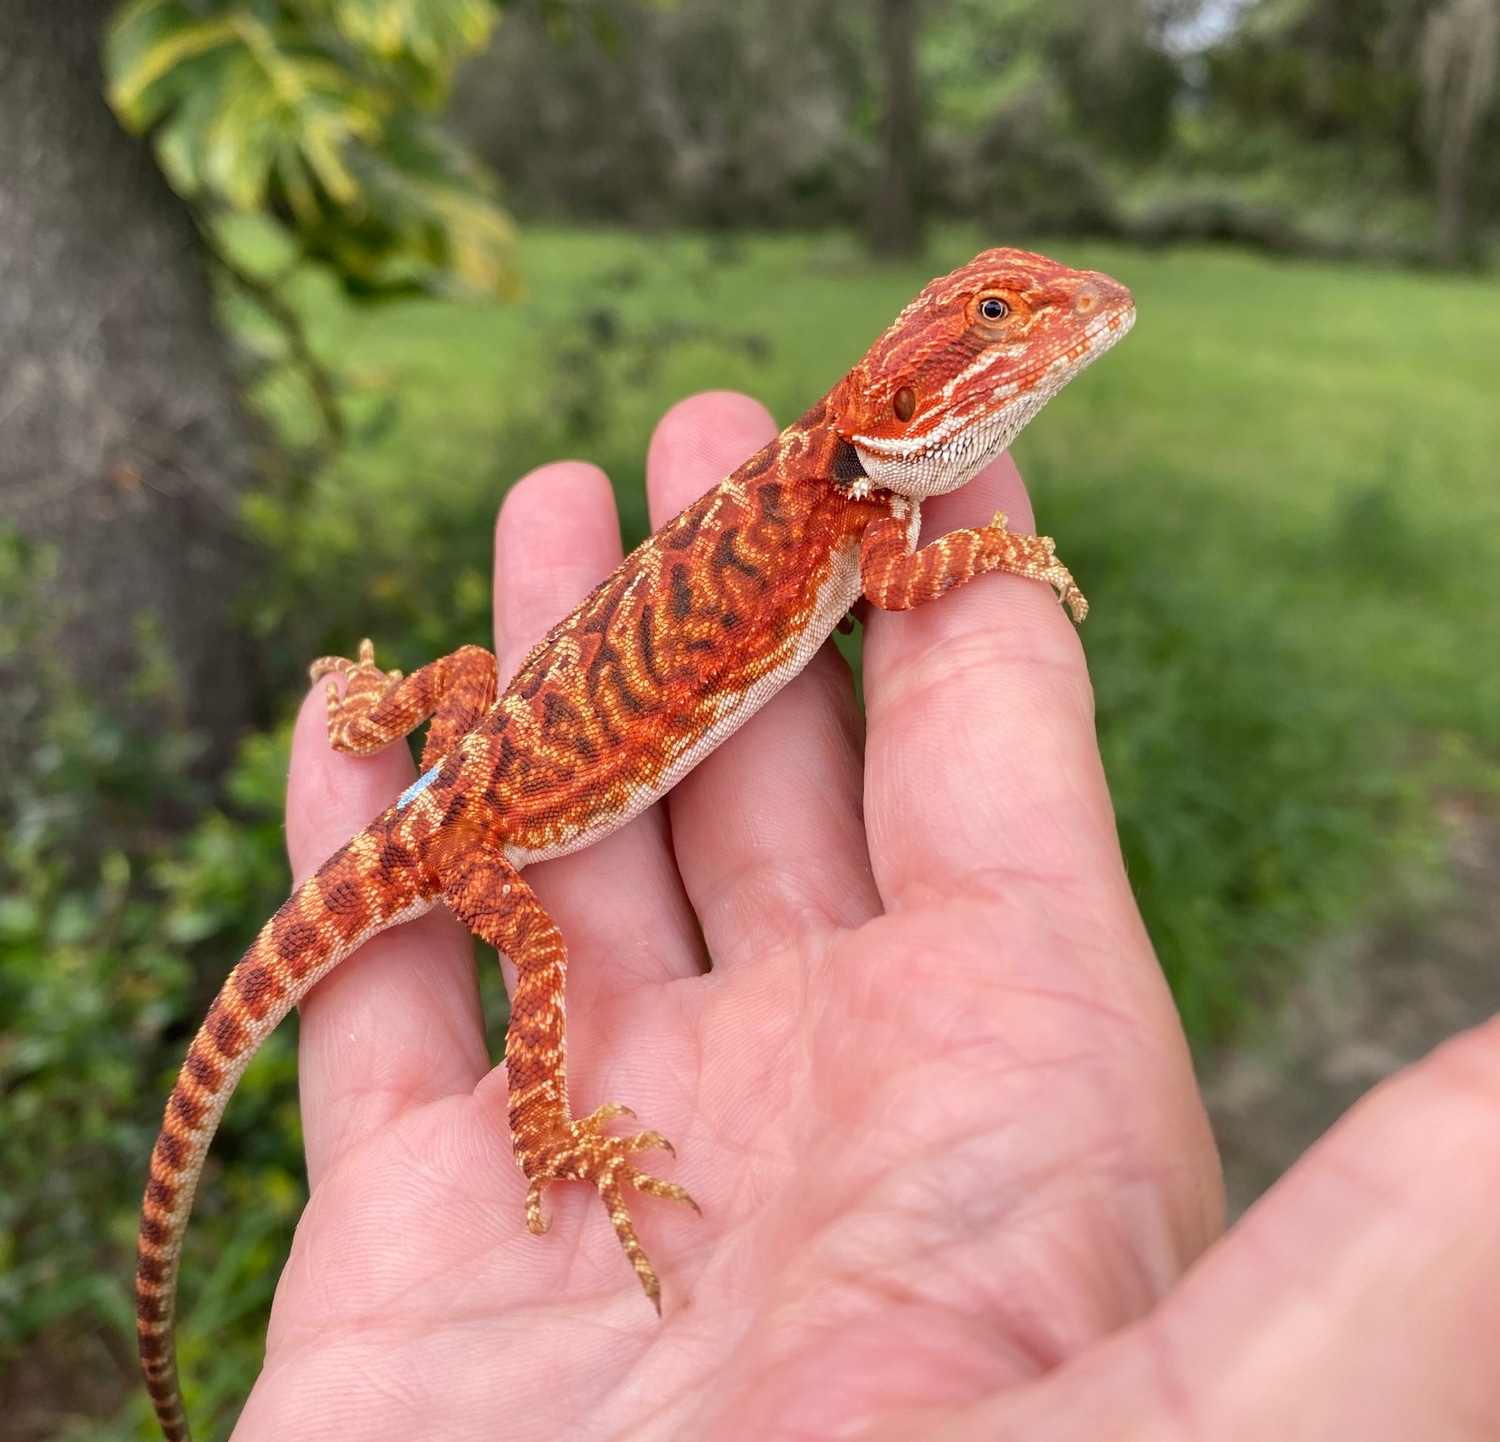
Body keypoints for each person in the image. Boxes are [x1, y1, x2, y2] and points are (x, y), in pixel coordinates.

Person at [234, 393, 1500, 1440]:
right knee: (548, 944)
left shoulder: (846, 489)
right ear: (906, 403)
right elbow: (904, 581)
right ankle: (550, 1144)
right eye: (1001, 321)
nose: (1043, 343)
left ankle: (372, 707)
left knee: (462, 680)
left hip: (476, 761)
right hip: (475, 823)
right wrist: (994, 548)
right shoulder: (867, 516)